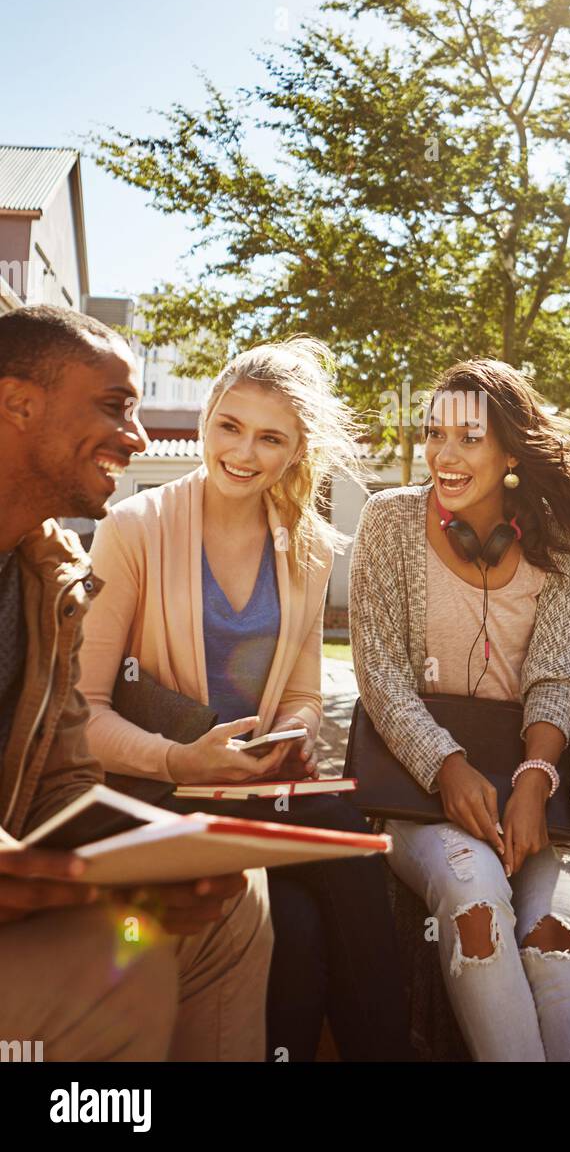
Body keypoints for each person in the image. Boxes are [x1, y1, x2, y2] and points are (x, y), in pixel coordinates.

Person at [78, 337, 412, 1062]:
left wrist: (284, 737)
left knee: (294, 925)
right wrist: (183, 758)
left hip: (255, 793)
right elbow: (81, 712)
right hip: (154, 796)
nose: (242, 451)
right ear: (206, 420)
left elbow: (300, 695)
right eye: (229, 425)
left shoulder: (309, 547)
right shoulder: (133, 530)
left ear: (295, 452)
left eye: (269, 438)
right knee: (348, 839)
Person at [0, 305, 271, 1061]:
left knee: (229, 901)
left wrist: (160, 851)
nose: (140, 437)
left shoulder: (46, 577)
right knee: (125, 965)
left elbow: (62, 783)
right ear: (18, 403)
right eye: (116, 406)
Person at [350, 357, 570, 1062]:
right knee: (475, 906)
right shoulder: (388, 522)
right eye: (434, 433)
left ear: (509, 451)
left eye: (468, 438)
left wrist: (533, 780)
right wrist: (447, 766)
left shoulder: (557, 542)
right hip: (418, 788)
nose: (444, 453)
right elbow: (379, 675)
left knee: (554, 943)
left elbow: (558, 678)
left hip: (534, 782)